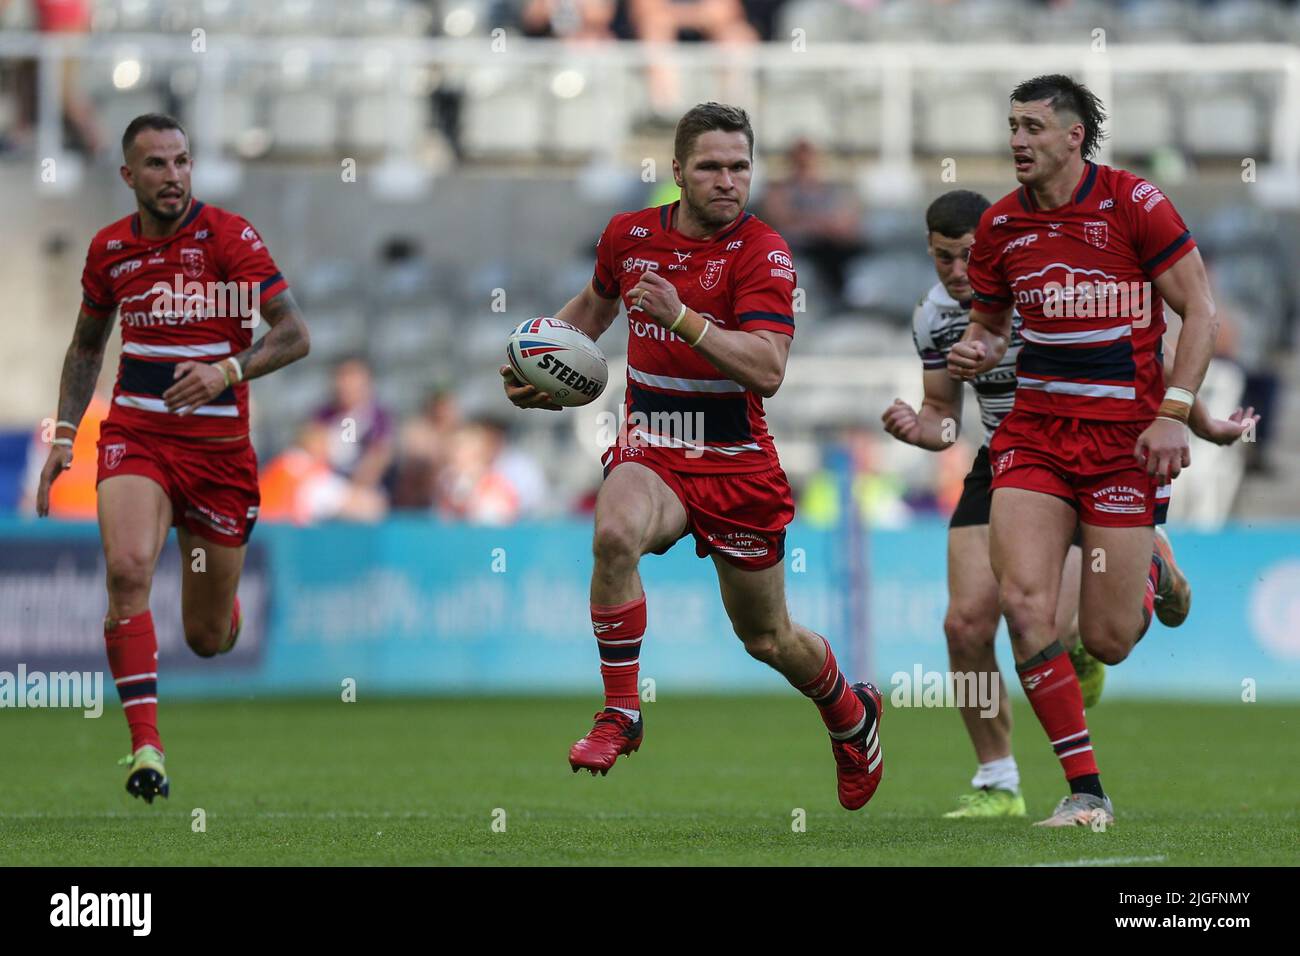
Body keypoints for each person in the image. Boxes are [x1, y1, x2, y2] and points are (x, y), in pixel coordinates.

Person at [500, 102, 884, 811]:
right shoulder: (629, 235)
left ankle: (850, 714)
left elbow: (767, 369)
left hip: (736, 459)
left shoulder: (764, 251)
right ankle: (621, 711)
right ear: (677, 171)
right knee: (614, 533)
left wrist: (682, 316)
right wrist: (539, 356)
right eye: (711, 166)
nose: (728, 180)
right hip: (655, 441)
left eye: (740, 166)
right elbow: (594, 305)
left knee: (767, 639)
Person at [885, 188, 1255, 819]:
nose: (956, 271)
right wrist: (917, 429)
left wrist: (1202, 422)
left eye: (969, 255)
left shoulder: (1042, 286)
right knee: (965, 625)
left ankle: (1150, 569)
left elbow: (1150, 361)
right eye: (944, 258)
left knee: (1088, 634)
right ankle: (1000, 781)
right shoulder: (935, 316)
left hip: (1094, 447)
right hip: (1010, 460)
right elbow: (943, 416)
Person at [947, 75, 1234, 827]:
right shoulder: (1003, 226)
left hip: (1121, 446)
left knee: (1106, 640)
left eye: (1033, 126)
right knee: (1022, 604)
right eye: (1012, 125)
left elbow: (1199, 309)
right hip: (1035, 438)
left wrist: (1176, 413)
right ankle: (1086, 793)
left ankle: (1151, 578)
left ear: (1074, 136)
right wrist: (976, 348)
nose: (1018, 140)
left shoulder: (1134, 205)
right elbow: (990, 322)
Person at [34, 113, 310, 803]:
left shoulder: (229, 237)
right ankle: (145, 748)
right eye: (156, 164)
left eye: (182, 161)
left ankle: (223, 612)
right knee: (127, 572)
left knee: (208, 636)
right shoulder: (109, 251)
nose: (173, 175)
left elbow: (295, 335)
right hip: (139, 437)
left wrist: (227, 372)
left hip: (218, 457)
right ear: (128, 176)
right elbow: (87, 347)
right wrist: (66, 434)